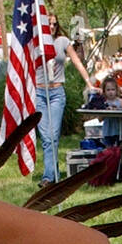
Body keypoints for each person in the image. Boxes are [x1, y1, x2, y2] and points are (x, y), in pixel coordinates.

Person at [33, 16, 90, 185]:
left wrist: (89, 83)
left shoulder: (63, 41)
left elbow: (77, 62)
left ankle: (48, 177)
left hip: (57, 92)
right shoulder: (35, 43)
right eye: (48, 23)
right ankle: (53, 172)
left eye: (54, 24)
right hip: (39, 92)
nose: (51, 26)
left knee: (53, 135)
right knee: (46, 137)